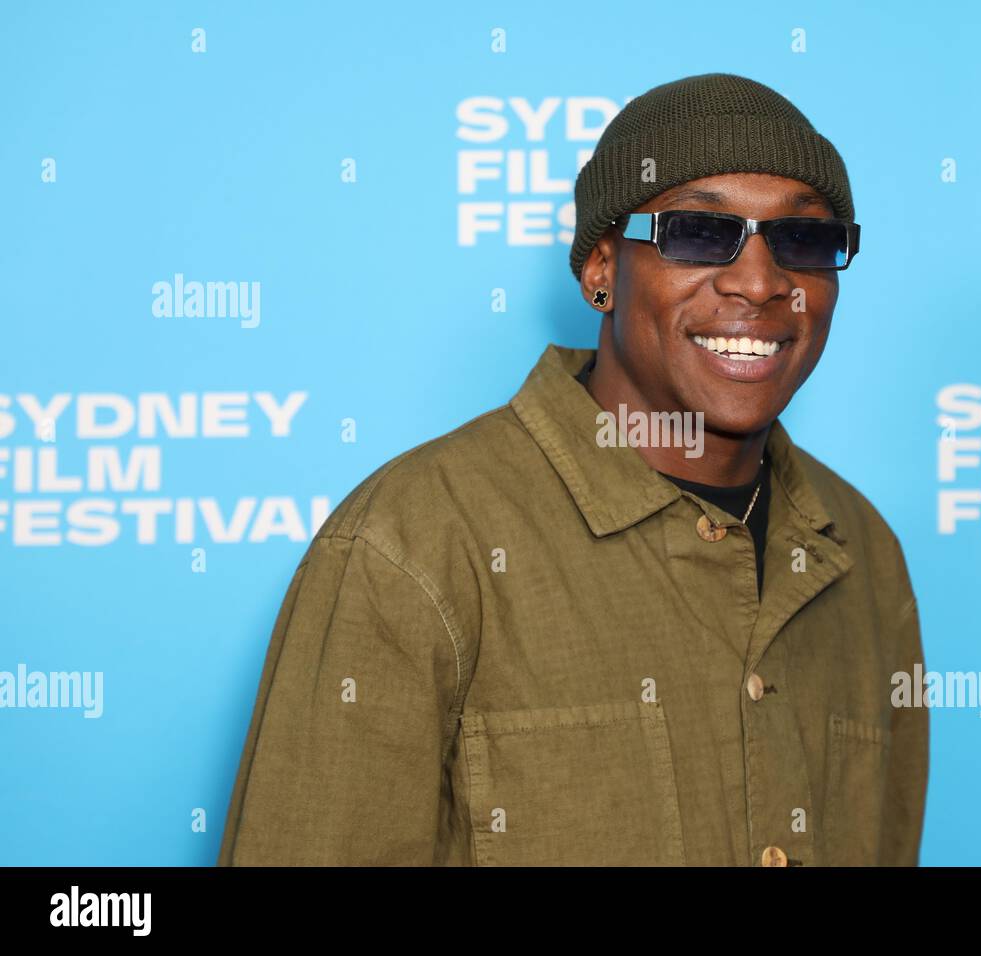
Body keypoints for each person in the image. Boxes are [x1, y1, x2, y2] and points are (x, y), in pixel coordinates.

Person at [218, 72, 928, 867]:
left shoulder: (864, 551)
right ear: (600, 268)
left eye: (803, 240)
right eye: (698, 232)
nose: (760, 282)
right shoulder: (411, 543)